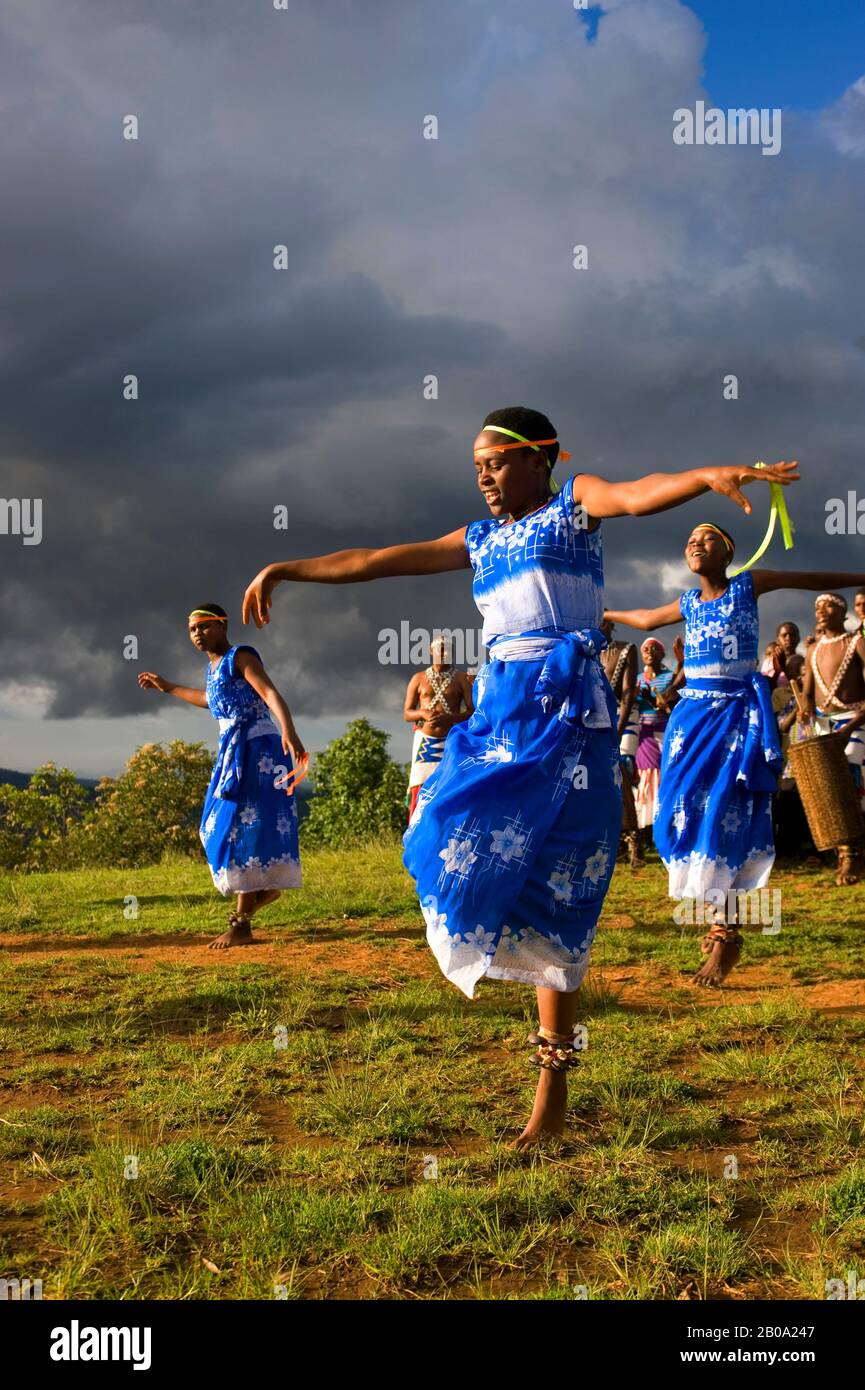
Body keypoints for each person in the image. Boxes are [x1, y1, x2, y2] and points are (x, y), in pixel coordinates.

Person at [242, 404, 797, 1143]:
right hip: (501, 719)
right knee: (447, 833)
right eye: (476, 466)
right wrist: (288, 567)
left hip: (568, 723)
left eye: (496, 462)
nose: (484, 476)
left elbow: (636, 494)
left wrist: (705, 476)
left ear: (543, 459)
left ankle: (551, 1087)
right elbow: (376, 559)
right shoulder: (478, 539)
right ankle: (497, 953)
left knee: (561, 888)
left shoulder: (574, 506)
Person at [605, 525, 865, 986]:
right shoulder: (687, 602)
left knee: (724, 815)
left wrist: (856, 574)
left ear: (729, 552)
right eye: (688, 539)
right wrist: (600, 611)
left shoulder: (748, 584)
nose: (695, 543)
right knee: (678, 817)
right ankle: (716, 917)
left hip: (735, 719)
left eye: (707, 538)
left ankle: (724, 931)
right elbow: (645, 618)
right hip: (690, 722)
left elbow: (808, 578)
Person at [138, 605, 306, 948]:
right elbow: (208, 700)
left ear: (222, 625)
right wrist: (168, 687)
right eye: (192, 629)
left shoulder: (240, 657)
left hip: (257, 749)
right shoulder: (213, 669)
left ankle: (242, 922)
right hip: (232, 752)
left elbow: (269, 693)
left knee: (242, 826)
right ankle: (262, 890)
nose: (198, 633)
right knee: (215, 826)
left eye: (204, 626)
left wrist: (288, 731)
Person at [799, 592, 865, 883]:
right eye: (817, 607)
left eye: (828, 605)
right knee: (829, 788)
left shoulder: (856, 642)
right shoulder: (813, 650)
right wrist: (804, 710)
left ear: (842, 611)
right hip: (824, 725)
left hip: (854, 721)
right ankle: (844, 853)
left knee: (851, 779)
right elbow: (807, 692)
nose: (821, 611)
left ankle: (853, 855)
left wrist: (848, 729)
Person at [403, 636, 474, 820]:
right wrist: (423, 714)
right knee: (420, 787)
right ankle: (416, 835)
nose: (445, 653)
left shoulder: (461, 679)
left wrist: (449, 718)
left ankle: (444, 835)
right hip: (424, 743)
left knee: (449, 785)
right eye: (441, 649)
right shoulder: (418, 679)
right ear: (430, 651)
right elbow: (407, 713)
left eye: (448, 649)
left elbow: (472, 712)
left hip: (450, 741)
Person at [600, 619, 640, 865]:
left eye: (603, 622)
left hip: (619, 721)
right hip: (593, 721)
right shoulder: (587, 652)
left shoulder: (626, 649)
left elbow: (627, 695)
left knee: (621, 775)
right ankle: (615, 844)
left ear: (610, 624)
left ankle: (633, 841)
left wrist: (618, 730)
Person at [634, 637, 676, 836]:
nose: (649, 651)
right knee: (645, 775)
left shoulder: (670, 678)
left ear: (662, 653)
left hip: (664, 731)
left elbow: (671, 706)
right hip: (643, 733)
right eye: (645, 649)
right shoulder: (636, 679)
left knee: (662, 774)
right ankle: (646, 824)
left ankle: (663, 821)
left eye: (654, 649)